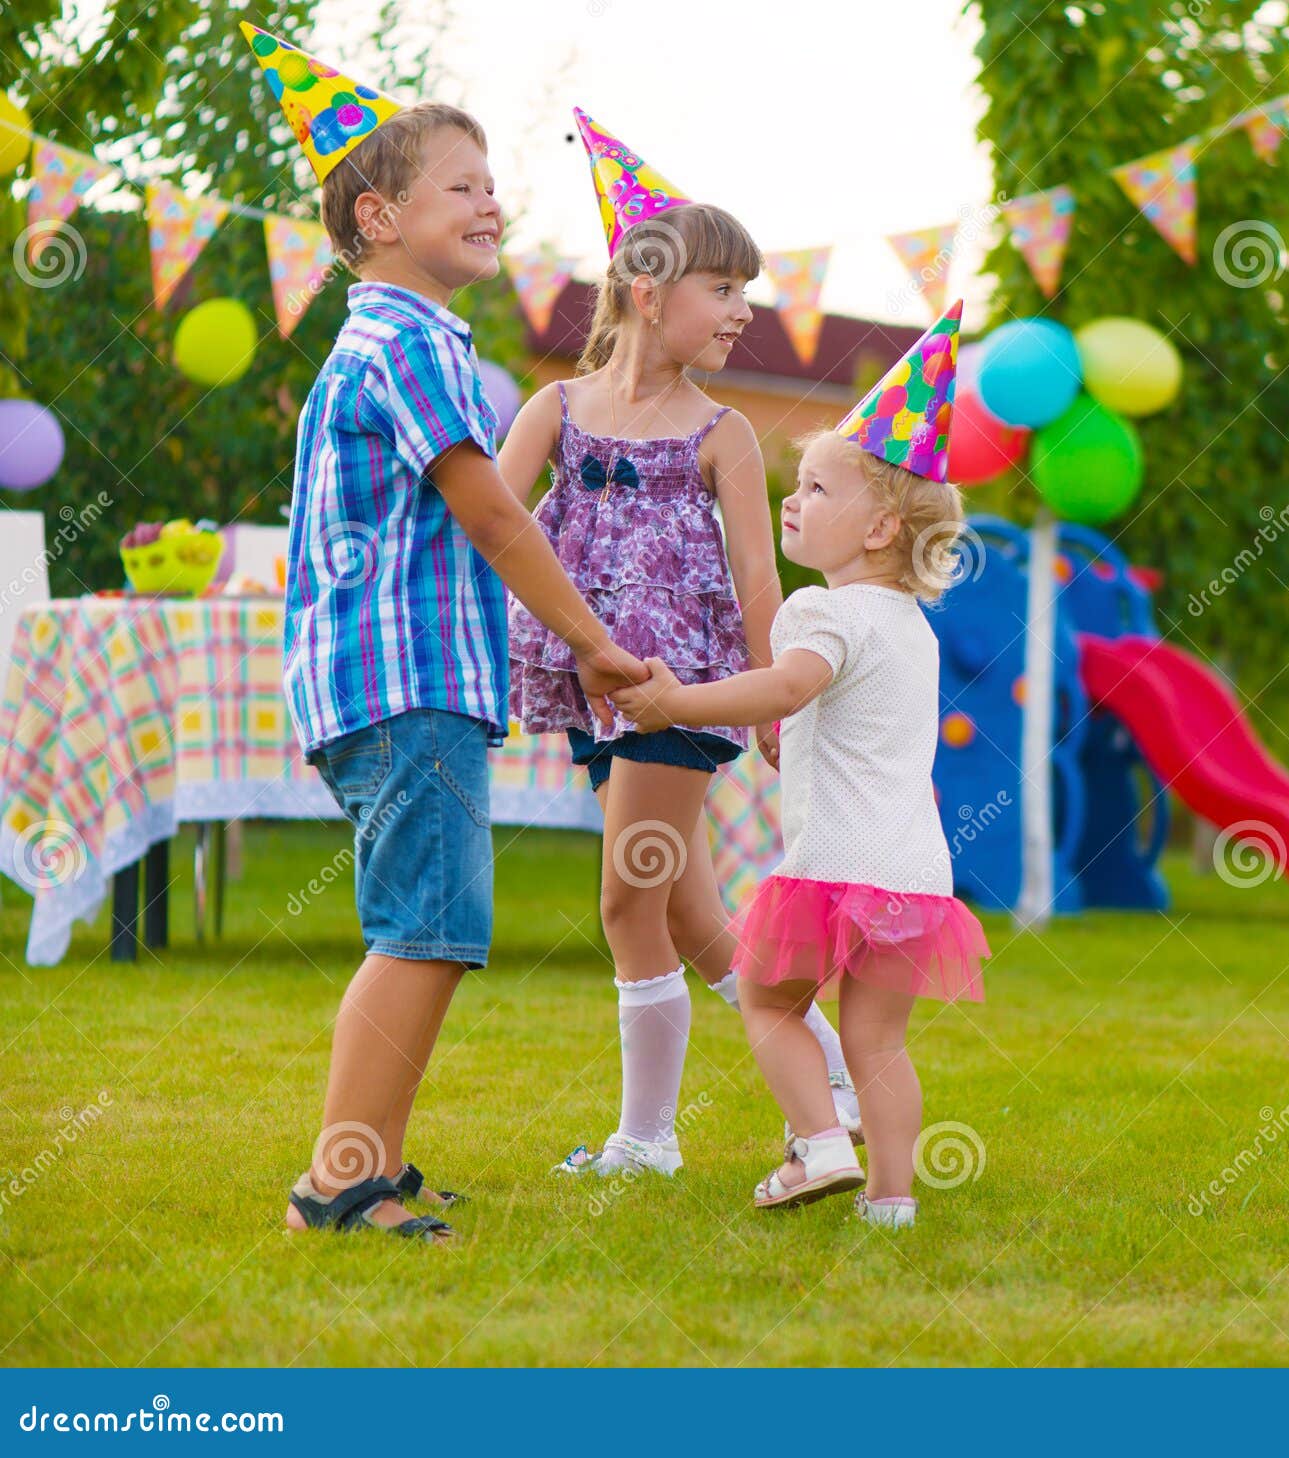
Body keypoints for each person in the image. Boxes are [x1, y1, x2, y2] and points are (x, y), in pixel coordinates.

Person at [241, 27, 643, 1242]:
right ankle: (338, 1182)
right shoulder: (403, 341)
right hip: (402, 685)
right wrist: (592, 642)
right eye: (460, 186)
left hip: (405, 685)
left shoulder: (404, 341)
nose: (492, 203)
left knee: (429, 926)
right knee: (422, 929)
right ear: (376, 217)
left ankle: (376, 1159)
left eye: (490, 186)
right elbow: (491, 513)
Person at [501, 109, 858, 1179]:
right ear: (650, 291)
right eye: (724, 289)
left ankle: (645, 1141)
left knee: (625, 897)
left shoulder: (725, 433)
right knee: (694, 916)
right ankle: (831, 1083)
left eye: (747, 291)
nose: (743, 313)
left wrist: (777, 705)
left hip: (678, 690)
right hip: (595, 689)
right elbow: (489, 523)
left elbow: (760, 582)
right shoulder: (554, 408)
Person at [613, 304, 989, 1229]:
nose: (792, 498)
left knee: (765, 994)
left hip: (833, 865)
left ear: (879, 530)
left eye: (817, 489)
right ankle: (891, 1202)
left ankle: (819, 1145)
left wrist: (675, 702)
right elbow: (838, 714)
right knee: (879, 1044)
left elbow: (780, 691)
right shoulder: (912, 626)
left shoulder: (821, 613)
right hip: (914, 876)